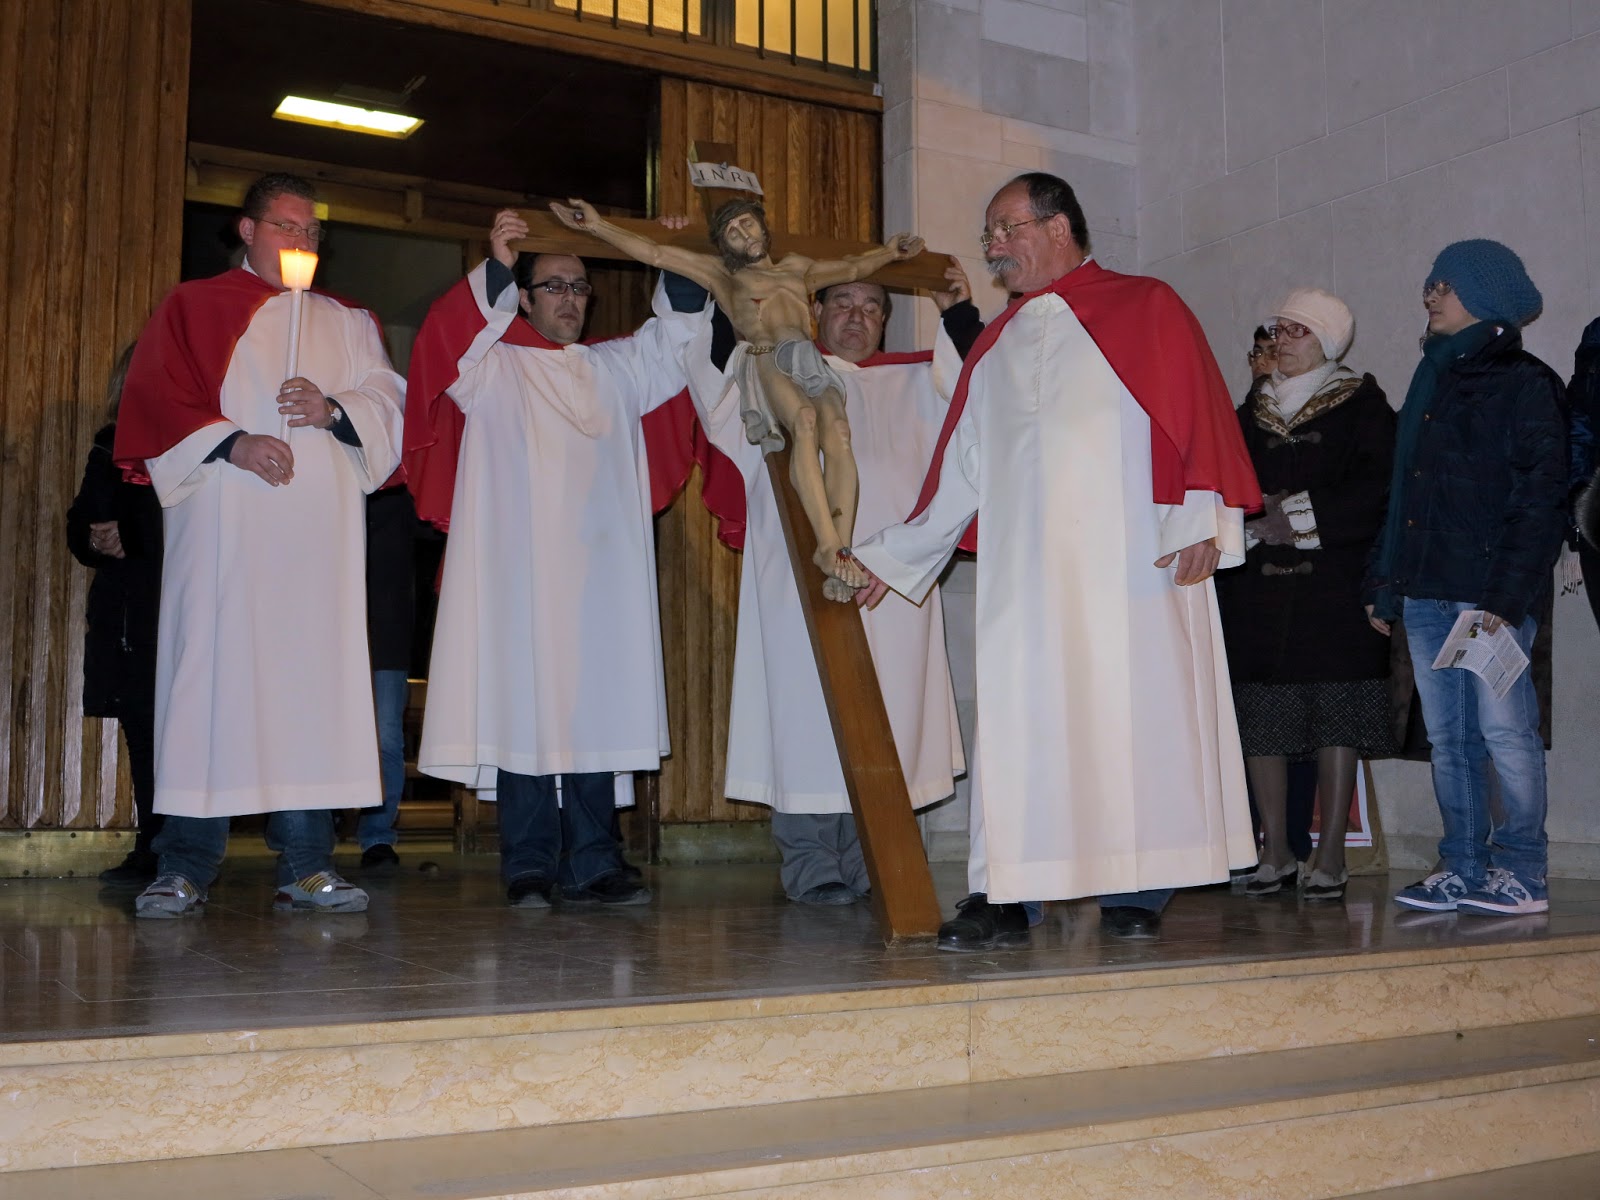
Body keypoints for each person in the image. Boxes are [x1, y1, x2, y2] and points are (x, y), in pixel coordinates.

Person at [852, 172, 1261, 949]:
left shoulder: (1147, 305)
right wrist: (892, 555)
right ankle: (1005, 891)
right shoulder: (997, 344)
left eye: (1007, 229)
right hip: (1028, 579)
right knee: (1021, 722)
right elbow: (961, 469)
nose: (994, 247)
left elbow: (1195, 411)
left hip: (1132, 560)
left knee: (1138, 712)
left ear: (1060, 226)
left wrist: (1205, 517)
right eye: (989, 236)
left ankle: (1140, 884)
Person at [113, 172, 405, 917]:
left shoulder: (349, 321)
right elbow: (155, 399)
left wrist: (335, 408)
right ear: (247, 230)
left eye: (311, 231)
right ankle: (184, 865)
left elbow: (389, 399)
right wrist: (232, 442)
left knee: (308, 695)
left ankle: (307, 865)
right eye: (284, 226)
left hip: (316, 549)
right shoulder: (194, 306)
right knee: (213, 691)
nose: (300, 241)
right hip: (227, 538)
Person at [405, 209, 710, 909]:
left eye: (579, 287)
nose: (570, 299)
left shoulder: (618, 367)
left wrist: (668, 252)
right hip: (520, 581)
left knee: (597, 713)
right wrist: (498, 261)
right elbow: (443, 344)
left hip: (604, 580)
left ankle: (597, 862)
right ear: (527, 296)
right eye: (554, 286)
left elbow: (680, 335)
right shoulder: (492, 369)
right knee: (526, 717)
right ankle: (531, 865)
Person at [678, 265, 975, 905]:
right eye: (844, 302)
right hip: (800, 586)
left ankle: (880, 861)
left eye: (872, 306)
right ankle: (813, 865)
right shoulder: (773, 377)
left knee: (891, 720)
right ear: (816, 312)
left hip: (893, 590)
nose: (858, 316)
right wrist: (712, 284)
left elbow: (977, 402)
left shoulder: (919, 383)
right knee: (807, 718)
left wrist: (955, 311)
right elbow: (712, 387)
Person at [549, 196, 924, 598]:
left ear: (763, 228)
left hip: (807, 355)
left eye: (747, 224)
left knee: (839, 431)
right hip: (765, 357)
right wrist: (596, 225)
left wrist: (889, 252)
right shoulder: (721, 275)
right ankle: (826, 545)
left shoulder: (798, 268)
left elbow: (852, 267)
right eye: (732, 232)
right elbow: (654, 251)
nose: (743, 233)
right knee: (804, 421)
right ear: (724, 246)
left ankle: (842, 546)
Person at [1365, 240, 1567, 918]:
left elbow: (1540, 502)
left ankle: (1523, 871)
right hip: (1425, 593)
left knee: (1506, 734)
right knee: (1449, 740)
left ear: (1484, 296)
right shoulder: (1432, 381)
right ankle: (1464, 865)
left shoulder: (1527, 383)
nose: (1429, 294)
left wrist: (1505, 601)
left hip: (1488, 597)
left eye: (1443, 284)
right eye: (1428, 283)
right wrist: (1383, 583)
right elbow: (1401, 496)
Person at [1216, 288, 1396, 903]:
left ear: (1327, 341)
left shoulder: (1363, 405)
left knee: (1335, 710)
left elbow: (1377, 488)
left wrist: (1292, 516)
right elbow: (1223, 476)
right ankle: (1275, 850)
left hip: (1333, 587)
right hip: (1256, 590)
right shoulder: (1250, 410)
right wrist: (1243, 520)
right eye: (1279, 328)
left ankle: (1328, 857)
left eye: (1297, 330)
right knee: (1260, 716)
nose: (1282, 338)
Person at [66, 344, 165, 885]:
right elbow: (79, 520)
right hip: (124, 612)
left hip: (169, 607)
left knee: (174, 732)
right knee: (140, 730)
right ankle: (151, 844)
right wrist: (94, 536)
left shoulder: (189, 441)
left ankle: (177, 847)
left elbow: (184, 524)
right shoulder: (109, 444)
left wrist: (132, 535)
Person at [357, 479, 417, 875]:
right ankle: (307, 835)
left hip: (388, 623)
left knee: (386, 738)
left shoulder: (403, 476)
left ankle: (378, 836)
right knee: (312, 732)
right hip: (322, 622)